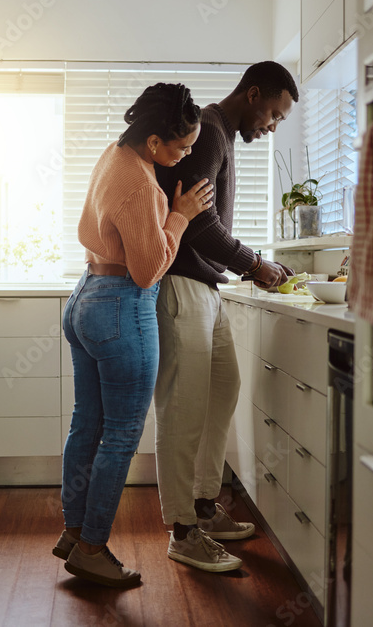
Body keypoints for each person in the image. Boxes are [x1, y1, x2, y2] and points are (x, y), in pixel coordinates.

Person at [55, 83, 214, 588]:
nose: (186, 155)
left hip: (85, 299)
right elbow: (148, 271)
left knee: (86, 424)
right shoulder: (143, 185)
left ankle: (74, 531)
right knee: (121, 435)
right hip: (122, 306)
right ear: (153, 142)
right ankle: (93, 550)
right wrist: (181, 216)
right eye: (181, 147)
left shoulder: (114, 155)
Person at [153, 61, 299, 572]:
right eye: (274, 114)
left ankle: (201, 505)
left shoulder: (220, 136)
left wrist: (247, 266)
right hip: (182, 285)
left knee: (221, 392)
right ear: (253, 93)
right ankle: (183, 531)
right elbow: (198, 227)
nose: (273, 126)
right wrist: (256, 264)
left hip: (204, 288)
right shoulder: (211, 133)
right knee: (184, 407)